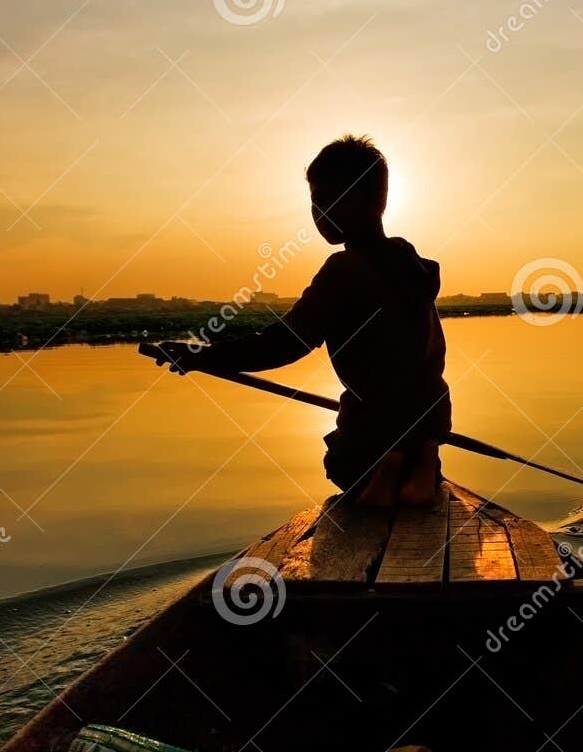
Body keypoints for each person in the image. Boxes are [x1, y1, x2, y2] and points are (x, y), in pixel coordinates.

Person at [146, 135, 450, 506]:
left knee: (338, 461)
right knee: (406, 397)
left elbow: (283, 344)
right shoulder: (409, 262)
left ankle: (389, 465)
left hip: (374, 433)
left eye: (326, 198)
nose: (318, 212)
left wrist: (200, 356)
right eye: (314, 201)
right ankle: (420, 457)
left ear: (361, 200)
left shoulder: (343, 271)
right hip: (428, 421)